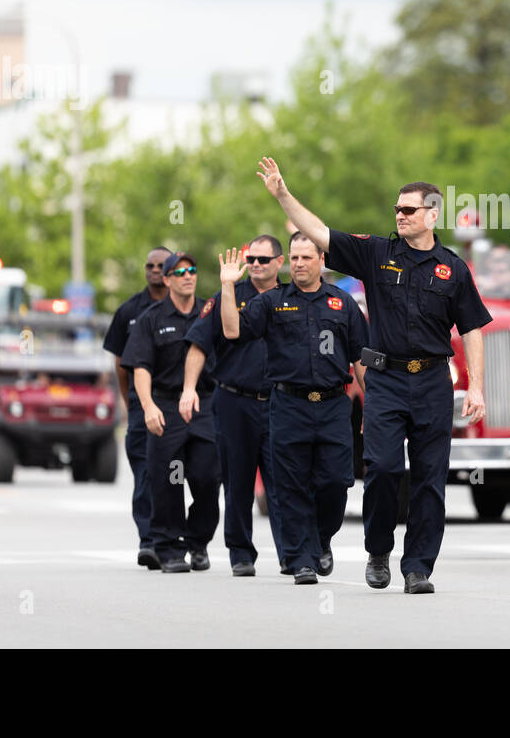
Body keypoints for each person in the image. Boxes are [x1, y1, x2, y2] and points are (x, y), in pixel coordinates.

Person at [254, 157, 491, 594]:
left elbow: (472, 327)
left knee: (430, 477)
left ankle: (418, 566)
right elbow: (321, 232)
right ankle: (378, 549)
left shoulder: (453, 268)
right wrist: (283, 195)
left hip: (434, 381)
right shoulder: (376, 253)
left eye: (409, 210)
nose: (399, 216)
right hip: (385, 380)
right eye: (397, 210)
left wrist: (475, 384)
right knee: (382, 468)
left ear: (432, 214)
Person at [221, 236, 370, 584]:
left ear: (321, 259)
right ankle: (302, 559)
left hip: (334, 405)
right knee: (291, 485)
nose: (299, 263)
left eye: (306, 257)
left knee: (335, 481)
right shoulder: (273, 301)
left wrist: (373, 402)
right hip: (289, 405)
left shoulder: (342, 303)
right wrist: (228, 286)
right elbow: (232, 329)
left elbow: (360, 356)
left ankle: (321, 539)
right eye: (294, 257)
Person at [180, 235, 285, 577]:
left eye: (263, 260)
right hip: (234, 400)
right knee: (236, 481)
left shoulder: (292, 298)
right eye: (251, 259)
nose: (255, 264)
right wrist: (189, 389)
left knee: (284, 480)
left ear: (279, 263)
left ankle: (292, 553)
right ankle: (240, 553)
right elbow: (198, 345)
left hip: (281, 401)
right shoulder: (229, 296)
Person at [121, 252, 220, 573]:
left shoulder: (209, 313)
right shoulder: (151, 318)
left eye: (192, 270)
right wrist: (147, 406)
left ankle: (198, 541)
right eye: (179, 273)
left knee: (208, 477)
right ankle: (168, 548)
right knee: (165, 480)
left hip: (203, 404)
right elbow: (140, 367)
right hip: (165, 404)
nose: (188, 276)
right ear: (167, 280)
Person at [102, 244, 171, 569]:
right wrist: (131, 403)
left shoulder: (187, 309)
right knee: (144, 473)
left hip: (177, 404)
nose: (154, 270)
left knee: (184, 474)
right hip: (141, 406)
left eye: (161, 266)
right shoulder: (129, 311)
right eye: (149, 265)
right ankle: (149, 541)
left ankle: (182, 538)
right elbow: (120, 364)